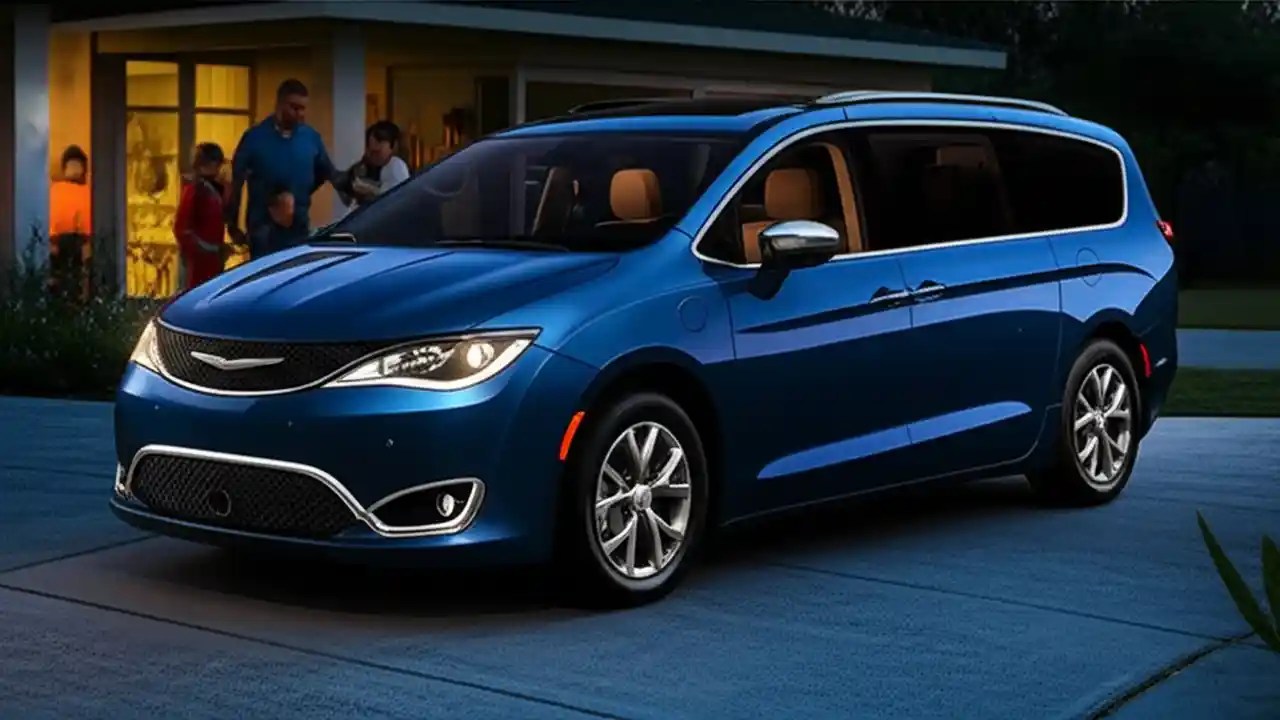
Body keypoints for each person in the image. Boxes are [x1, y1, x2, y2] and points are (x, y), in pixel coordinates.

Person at [225, 78, 335, 260]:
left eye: (303, 108)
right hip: (263, 227)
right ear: (280, 104)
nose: (300, 114)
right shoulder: (255, 138)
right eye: (294, 107)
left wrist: (303, 191)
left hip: (298, 227)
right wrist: (232, 224)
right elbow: (236, 182)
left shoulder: (310, 137)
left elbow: (326, 171)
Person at [173, 142, 230, 290]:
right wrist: (204, 250)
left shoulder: (213, 188)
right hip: (198, 263)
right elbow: (182, 229)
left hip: (212, 261)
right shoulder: (195, 190)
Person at [334, 121, 412, 215]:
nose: (373, 156)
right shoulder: (368, 165)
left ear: (393, 146)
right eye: (371, 152)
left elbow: (396, 199)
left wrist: (370, 190)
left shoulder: (396, 165)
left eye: (377, 152)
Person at [48, 145, 92, 299]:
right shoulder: (55, 190)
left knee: (81, 278)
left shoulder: (89, 192)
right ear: (64, 168)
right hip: (57, 243)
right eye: (71, 165)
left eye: (77, 165)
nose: (74, 169)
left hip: (82, 243)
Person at [248, 186, 299, 259]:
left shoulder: (297, 231)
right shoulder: (262, 237)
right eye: (287, 207)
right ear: (273, 210)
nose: (291, 212)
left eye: (292, 207)